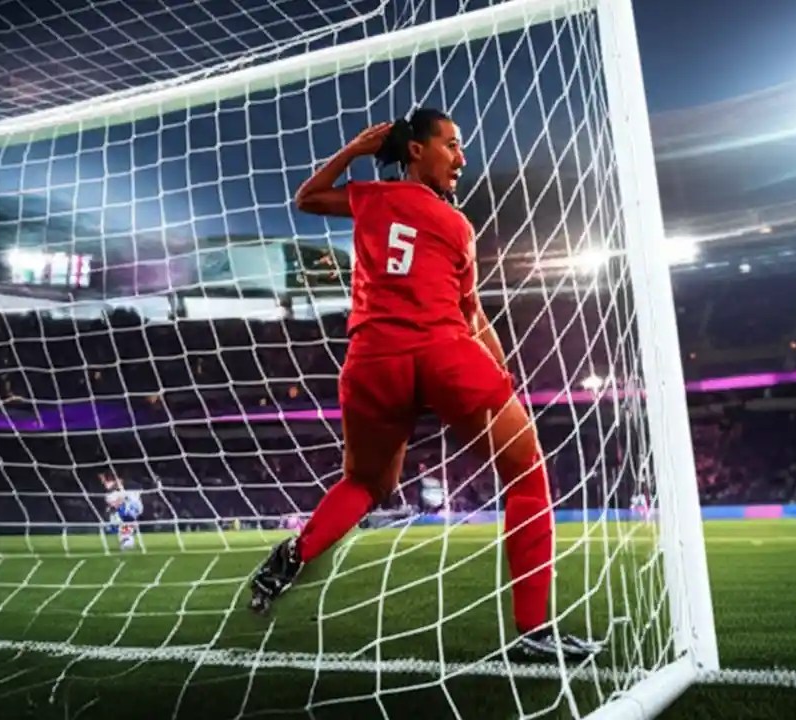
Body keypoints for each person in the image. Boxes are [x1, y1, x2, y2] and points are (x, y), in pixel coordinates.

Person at [248, 108, 600, 659]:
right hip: (443, 354)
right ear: (417, 150)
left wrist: (354, 151)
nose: (462, 158)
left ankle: (294, 554)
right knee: (527, 475)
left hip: (371, 361)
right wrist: (499, 373)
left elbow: (308, 199)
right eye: (452, 145)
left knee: (366, 485)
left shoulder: (371, 198)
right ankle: (535, 632)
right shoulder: (458, 226)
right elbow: (473, 314)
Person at [101, 472, 143, 552]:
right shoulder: (110, 495)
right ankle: (126, 539)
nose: (105, 483)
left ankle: (127, 539)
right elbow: (113, 504)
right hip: (126, 511)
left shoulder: (129, 489)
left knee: (123, 516)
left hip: (131, 509)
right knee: (118, 521)